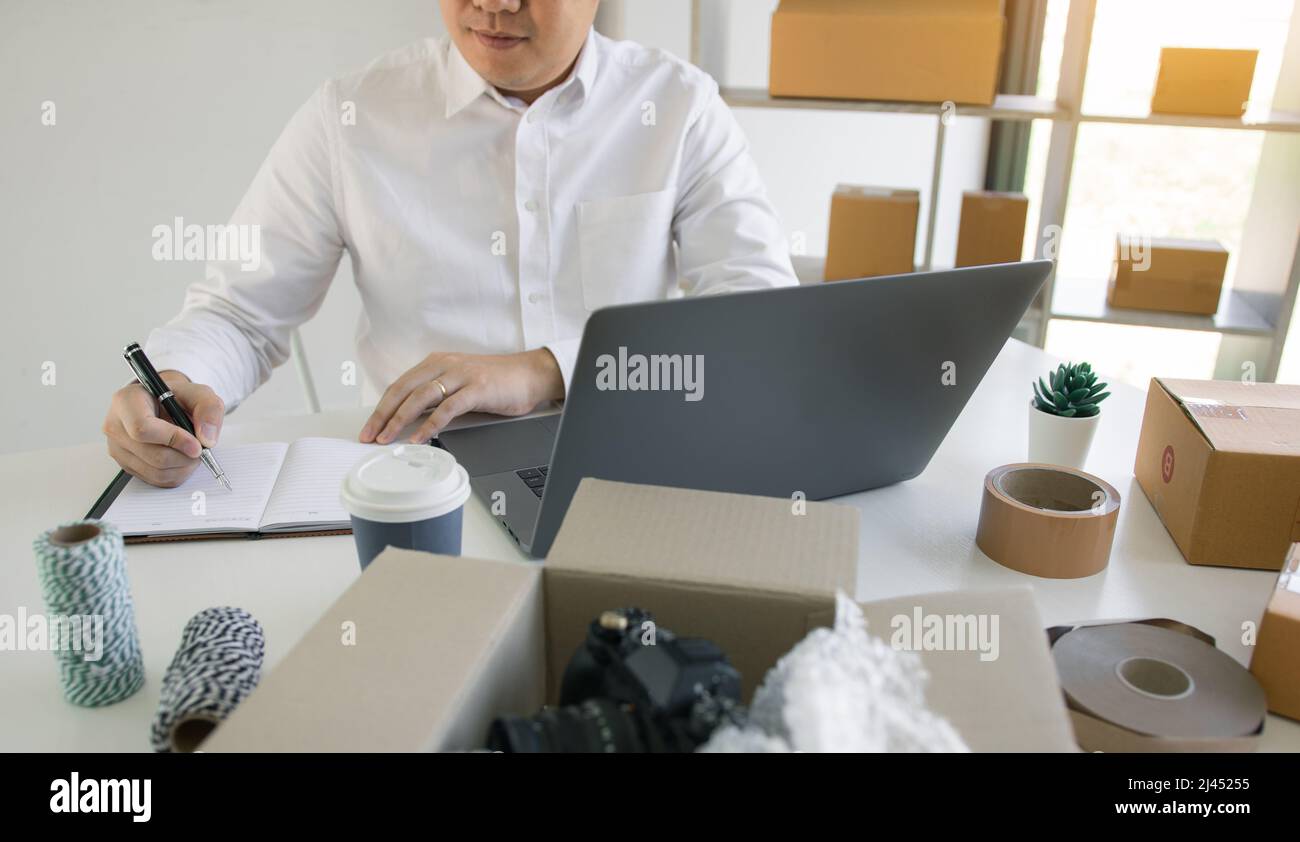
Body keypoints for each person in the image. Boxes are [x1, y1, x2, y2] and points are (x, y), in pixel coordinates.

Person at [103, 0, 796, 488]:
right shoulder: (352, 116)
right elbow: (238, 314)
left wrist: (548, 371)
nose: (494, 4)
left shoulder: (677, 105)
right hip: (417, 481)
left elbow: (760, 323)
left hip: (635, 465)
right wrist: (176, 381)